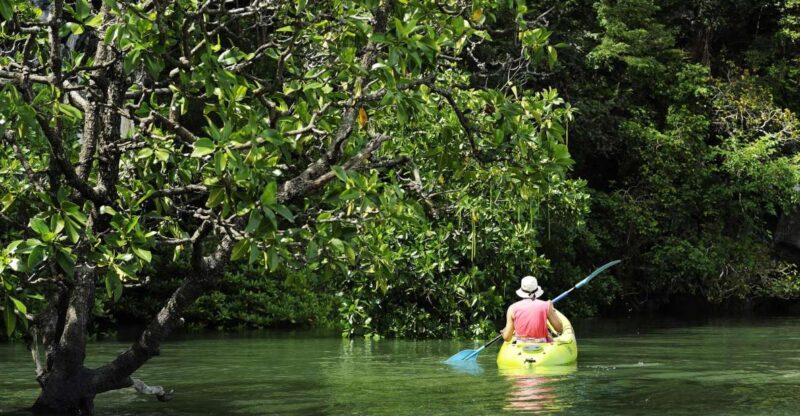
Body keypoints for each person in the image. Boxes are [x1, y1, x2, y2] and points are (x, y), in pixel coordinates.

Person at [501, 275, 563, 342]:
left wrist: (503, 332)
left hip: (521, 346)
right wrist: (552, 308)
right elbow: (559, 329)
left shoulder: (512, 308)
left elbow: (507, 338)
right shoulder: (546, 305)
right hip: (542, 344)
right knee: (549, 335)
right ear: (536, 290)